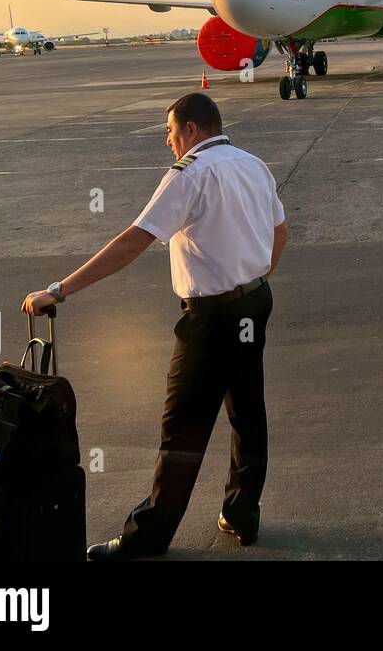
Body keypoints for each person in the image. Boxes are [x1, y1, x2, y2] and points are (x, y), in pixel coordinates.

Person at [21, 92, 288, 560]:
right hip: (254, 303)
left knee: (182, 426)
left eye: (170, 132)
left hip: (210, 318)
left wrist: (60, 289)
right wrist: (254, 279)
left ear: (190, 130)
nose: (169, 143)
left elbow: (133, 241)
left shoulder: (190, 174)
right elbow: (279, 230)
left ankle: (146, 538)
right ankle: (242, 513)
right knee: (248, 413)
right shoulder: (252, 163)